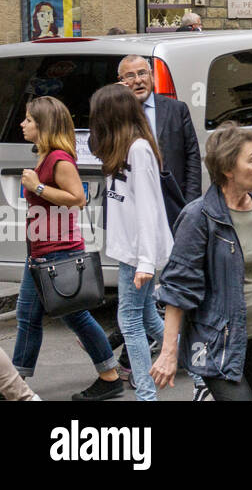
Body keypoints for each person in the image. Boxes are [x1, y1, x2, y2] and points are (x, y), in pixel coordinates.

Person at [152, 124, 252, 401]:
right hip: (216, 342)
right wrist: (168, 353)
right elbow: (178, 288)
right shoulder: (198, 217)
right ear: (228, 169)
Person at [12, 96, 121, 401]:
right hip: (40, 251)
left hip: (58, 252)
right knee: (27, 316)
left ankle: (110, 376)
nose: (23, 124)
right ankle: (13, 382)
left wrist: (38, 188)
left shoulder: (59, 159)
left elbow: (78, 198)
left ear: (44, 124)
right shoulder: (45, 156)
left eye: (29, 120)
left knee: (76, 317)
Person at [90, 83, 173, 400]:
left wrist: (145, 262)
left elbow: (149, 210)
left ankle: (146, 395)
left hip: (140, 254)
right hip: (134, 253)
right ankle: (201, 369)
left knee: (130, 321)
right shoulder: (123, 149)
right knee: (149, 318)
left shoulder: (138, 150)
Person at [118, 54, 202, 209]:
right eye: (130, 76)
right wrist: (118, 105)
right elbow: (96, 147)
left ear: (151, 75)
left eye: (142, 73)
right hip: (130, 201)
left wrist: (191, 204)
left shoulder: (176, 109)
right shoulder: (117, 112)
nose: (138, 80)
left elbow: (192, 157)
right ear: (121, 81)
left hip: (171, 200)